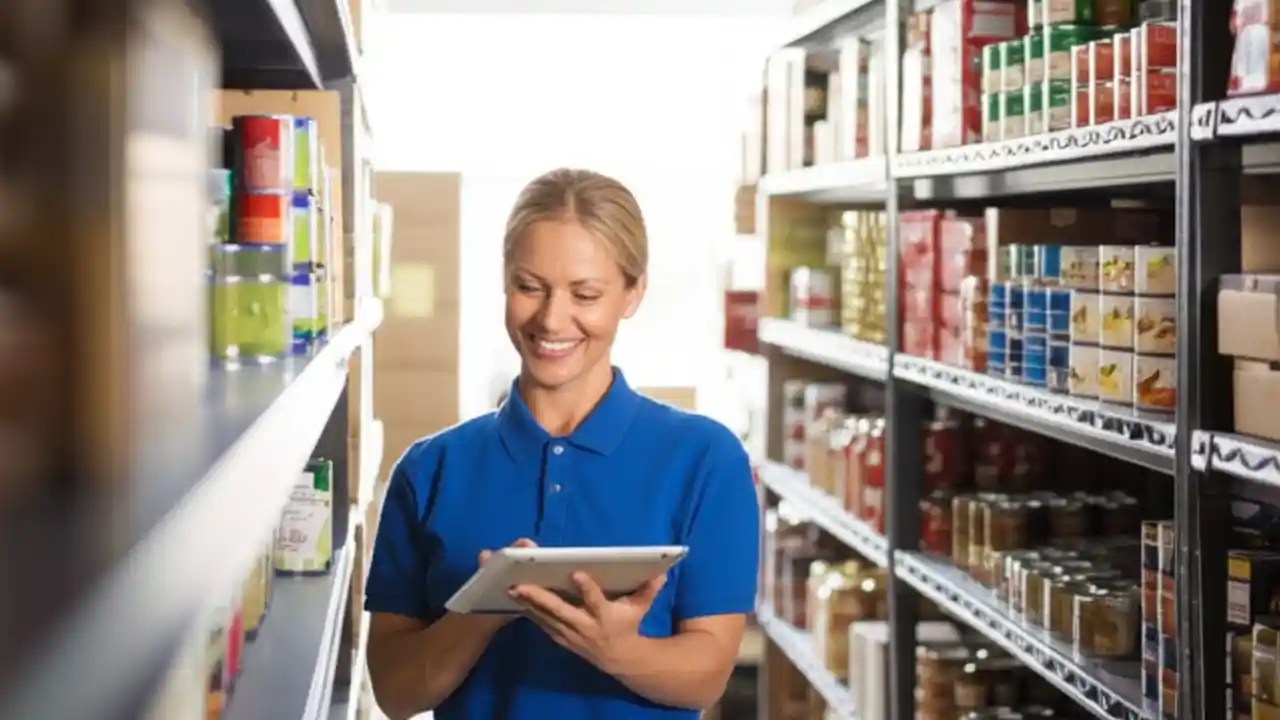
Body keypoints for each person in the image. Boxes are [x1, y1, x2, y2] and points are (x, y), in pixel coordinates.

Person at [364, 168, 760, 720]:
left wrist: (617, 651)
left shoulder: (705, 460)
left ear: (632, 293)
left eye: (586, 293)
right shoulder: (430, 470)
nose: (552, 318)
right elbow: (395, 695)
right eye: (529, 286)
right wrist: (483, 607)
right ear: (504, 282)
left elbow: (708, 676)